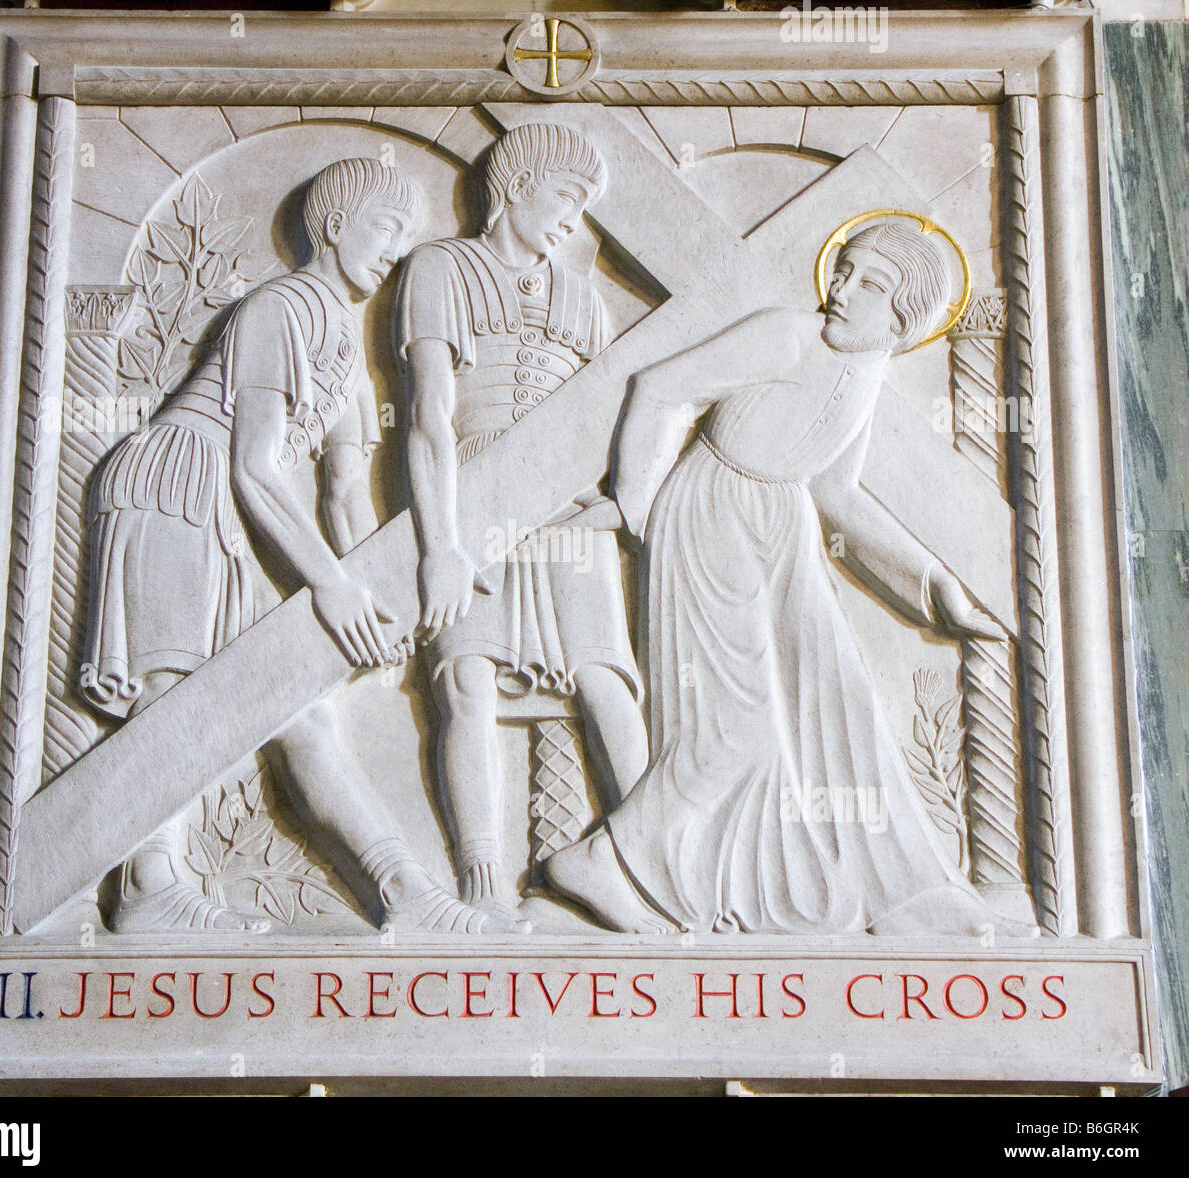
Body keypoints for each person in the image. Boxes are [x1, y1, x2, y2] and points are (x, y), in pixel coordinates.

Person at [543, 218, 1022, 936]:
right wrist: (640, 510)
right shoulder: (785, 332)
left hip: (785, 529)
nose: (843, 289)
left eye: (871, 284)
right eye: (846, 270)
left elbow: (835, 495)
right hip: (712, 515)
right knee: (732, 725)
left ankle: (909, 896)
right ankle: (604, 860)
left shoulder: (867, 372)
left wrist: (931, 584)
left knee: (839, 704)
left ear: (904, 318)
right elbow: (661, 388)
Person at [79, 157, 506, 935]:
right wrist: (330, 588)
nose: (394, 248)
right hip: (183, 480)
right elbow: (255, 465)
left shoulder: (343, 348)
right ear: (335, 226)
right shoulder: (284, 307)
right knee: (174, 684)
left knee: (298, 705)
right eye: (384, 228)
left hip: (245, 513)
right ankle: (147, 883)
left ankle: (400, 888)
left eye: (407, 237)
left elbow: (344, 493)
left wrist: (379, 611)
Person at [396, 123, 648, 922]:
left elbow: (617, 425)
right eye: (567, 197)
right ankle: (482, 883)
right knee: (466, 684)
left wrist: (626, 497)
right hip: (470, 504)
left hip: (569, 516)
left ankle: (654, 872)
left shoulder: (583, 297)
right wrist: (440, 546)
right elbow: (428, 418)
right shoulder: (437, 269)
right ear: (515, 184)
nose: (576, 219)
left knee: (604, 682)